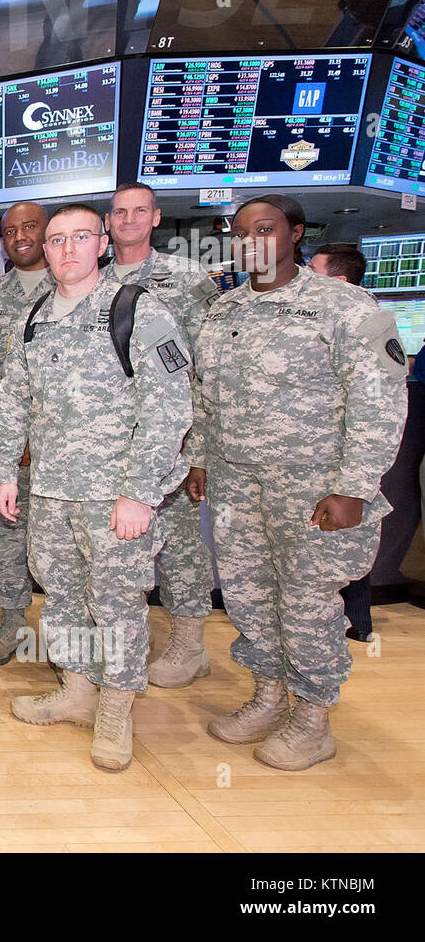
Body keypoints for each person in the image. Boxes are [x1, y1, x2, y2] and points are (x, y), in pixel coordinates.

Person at [187, 196, 406, 770]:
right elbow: (204, 398)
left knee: (308, 603)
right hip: (238, 486)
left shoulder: (346, 306)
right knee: (248, 596)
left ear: (297, 233)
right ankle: (267, 695)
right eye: (241, 233)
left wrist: (355, 486)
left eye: (265, 229)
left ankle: (312, 719)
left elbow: (381, 399)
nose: (252, 241)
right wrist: (202, 458)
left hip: (314, 491)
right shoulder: (223, 311)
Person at [0, 203, 192, 772]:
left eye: (81, 237)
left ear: (102, 242)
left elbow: (169, 408)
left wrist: (139, 492)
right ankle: (76, 691)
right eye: (57, 240)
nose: (68, 249)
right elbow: (14, 403)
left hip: (115, 497)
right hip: (52, 491)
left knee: (119, 606)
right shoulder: (34, 319)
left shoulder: (139, 311)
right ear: (46, 251)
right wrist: (7, 470)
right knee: (62, 598)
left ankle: (115, 711)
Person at [104, 182, 220, 688]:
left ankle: (189, 645)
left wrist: (196, 452)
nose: (128, 219)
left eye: (139, 211)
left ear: (155, 218)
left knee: (179, 547)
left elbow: (206, 369)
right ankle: (121, 644)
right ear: (108, 222)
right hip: (107, 448)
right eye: (119, 212)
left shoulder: (186, 279)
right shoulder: (92, 279)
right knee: (118, 550)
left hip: (169, 443)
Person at [0, 202, 54, 667]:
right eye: (8, 231)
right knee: (5, 537)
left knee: (65, 543)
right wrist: (4, 437)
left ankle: (70, 636)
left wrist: (34, 436)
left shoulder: (78, 293)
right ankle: (13, 622)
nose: (19, 236)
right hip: (0, 447)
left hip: (67, 449)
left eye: (29, 227)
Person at [308, 243, 379, 643]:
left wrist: (354, 483)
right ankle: (356, 622)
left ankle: (355, 624)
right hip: (327, 467)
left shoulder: (363, 319)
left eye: (313, 268)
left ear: (339, 281)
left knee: (342, 549)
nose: (304, 275)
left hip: (343, 466)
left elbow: (377, 405)